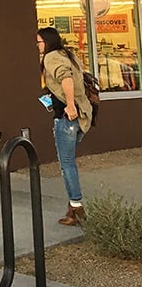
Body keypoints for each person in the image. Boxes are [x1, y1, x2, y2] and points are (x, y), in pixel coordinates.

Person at [37, 27, 93, 226]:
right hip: (82, 116)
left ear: (47, 42)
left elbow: (66, 78)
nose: (38, 46)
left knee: (67, 164)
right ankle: (74, 206)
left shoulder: (52, 57)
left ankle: (76, 208)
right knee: (69, 162)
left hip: (67, 117)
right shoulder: (68, 54)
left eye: (39, 42)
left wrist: (69, 105)